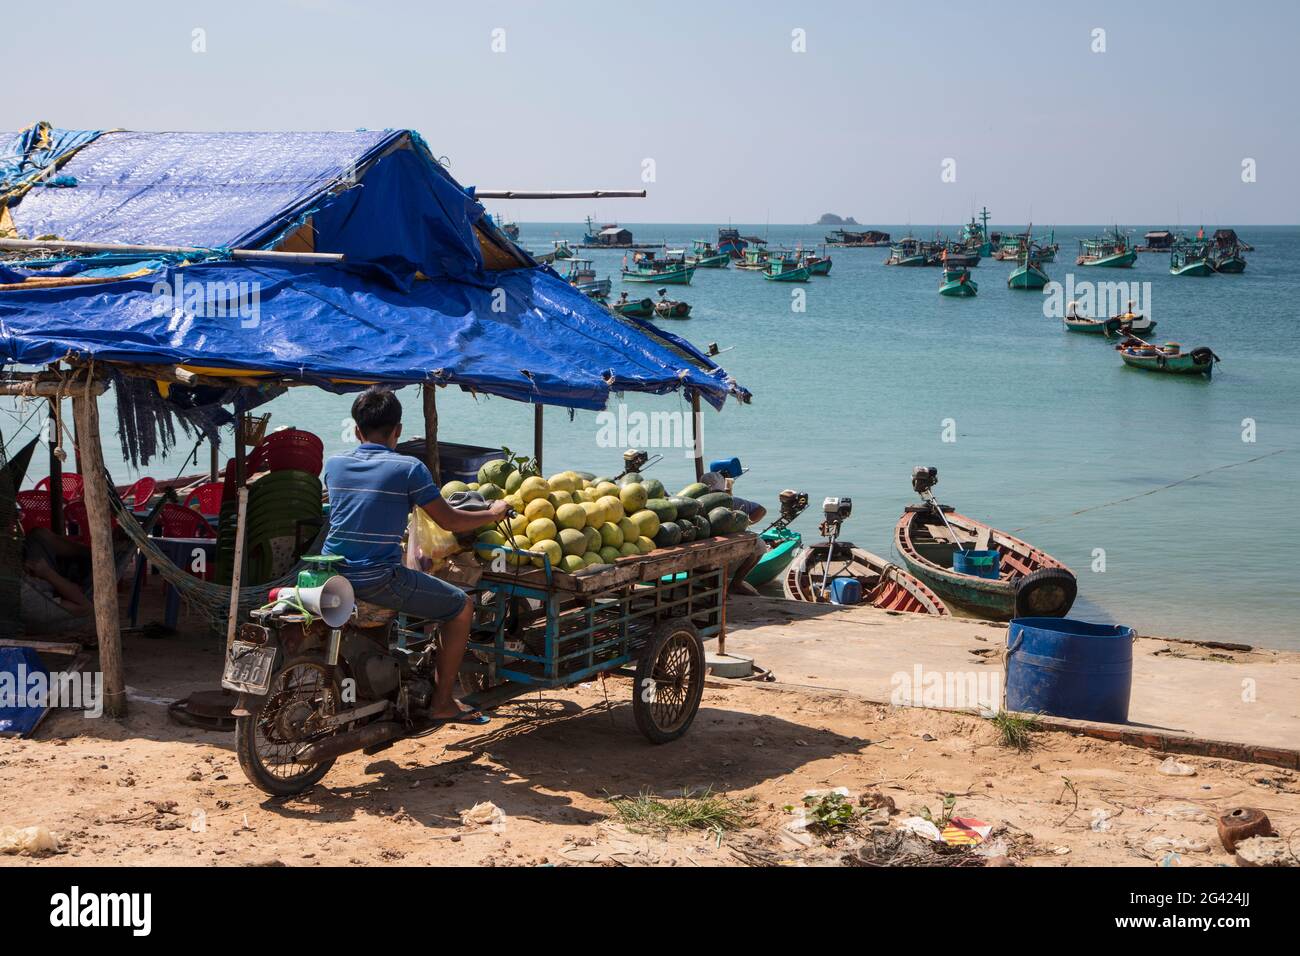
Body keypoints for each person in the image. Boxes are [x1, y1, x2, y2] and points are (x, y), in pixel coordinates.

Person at [322, 387, 509, 724]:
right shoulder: (409, 468)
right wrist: (493, 512)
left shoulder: (335, 465)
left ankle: (376, 693)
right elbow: (449, 520)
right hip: (377, 579)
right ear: (397, 430)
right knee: (461, 607)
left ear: (356, 431)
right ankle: (443, 703)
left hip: (331, 575)